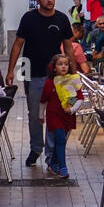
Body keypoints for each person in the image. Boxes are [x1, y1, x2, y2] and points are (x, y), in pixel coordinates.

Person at [6, 0, 75, 166]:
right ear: (38, 0)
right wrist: (10, 71)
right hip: (32, 71)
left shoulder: (61, 19)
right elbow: (18, 44)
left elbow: (68, 47)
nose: (49, 0)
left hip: (58, 75)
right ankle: (36, 148)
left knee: (58, 114)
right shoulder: (28, 18)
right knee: (35, 114)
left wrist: (73, 73)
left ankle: (51, 153)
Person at [40, 52, 81, 180]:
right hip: (54, 116)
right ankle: (63, 168)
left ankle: (53, 163)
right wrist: (41, 115)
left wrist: (72, 109)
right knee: (61, 140)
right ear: (54, 67)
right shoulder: (49, 83)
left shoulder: (73, 81)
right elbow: (43, 101)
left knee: (60, 141)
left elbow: (79, 98)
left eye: (66, 64)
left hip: (68, 116)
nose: (63, 67)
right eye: (60, 64)